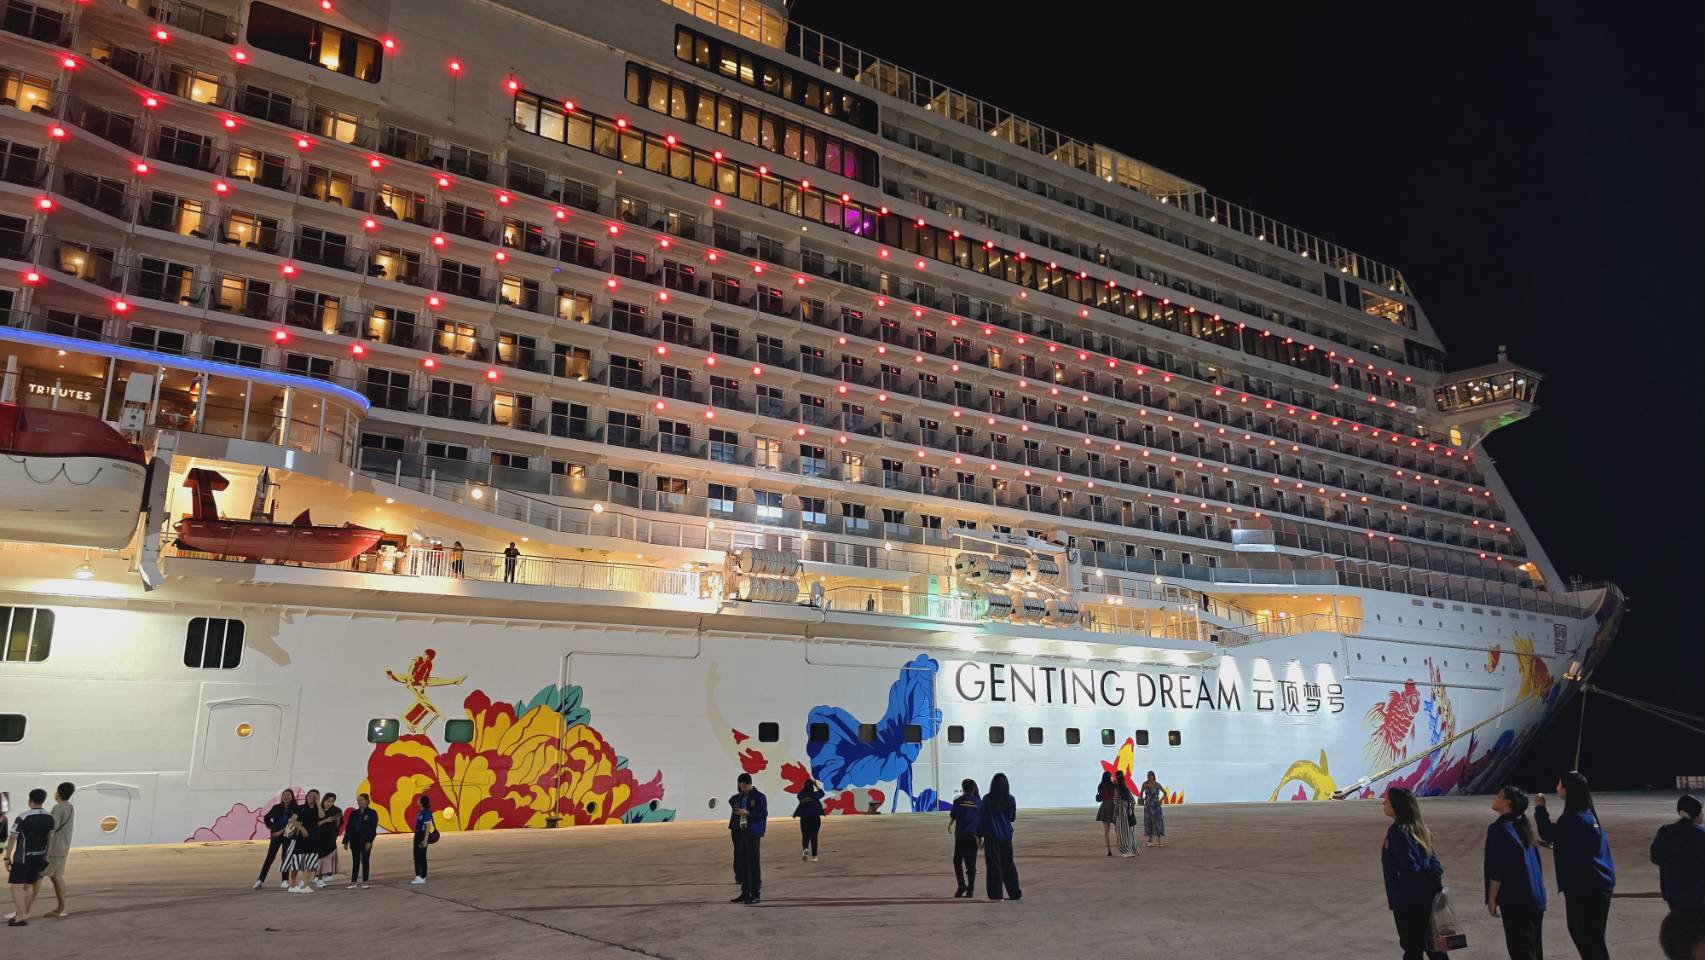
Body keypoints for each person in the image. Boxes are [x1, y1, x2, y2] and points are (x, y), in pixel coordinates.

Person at [1535, 771, 1616, 960]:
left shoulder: (1574, 817)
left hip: (1585, 886)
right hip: (1598, 883)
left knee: (1586, 937)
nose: (1556, 787)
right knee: (1592, 937)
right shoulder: (1587, 814)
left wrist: (1540, 808)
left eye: (1559, 784)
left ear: (1567, 789)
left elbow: (1548, 833)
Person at [1382, 787, 1447, 960]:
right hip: (1426, 896)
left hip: (1408, 901)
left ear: (1397, 805)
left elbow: (1410, 866)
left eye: (1387, 800)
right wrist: (1433, 889)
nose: (1384, 802)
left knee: (1412, 948)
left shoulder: (1397, 831)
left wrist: (1402, 895)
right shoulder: (1419, 828)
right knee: (1433, 946)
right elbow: (1436, 865)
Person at [1485, 785, 1547, 960]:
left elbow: (1497, 868)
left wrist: (1491, 898)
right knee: (1534, 950)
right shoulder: (1523, 828)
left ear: (1508, 802)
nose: (1495, 798)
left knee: (1521, 952)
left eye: (1499, 796)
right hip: (1535, 898)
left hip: (1516, 900)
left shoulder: (1499, 829)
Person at [3, 788, 53, 926]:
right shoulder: (49, 817)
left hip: (23, 857)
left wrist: (7, 858)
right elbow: (51, 838)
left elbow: (13, 837)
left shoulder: (23, 816)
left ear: (30, 800)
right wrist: (47, 857)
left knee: (15, 887)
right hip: (39, 857)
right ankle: (24, 912)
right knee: (29, 885)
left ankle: (20, 916)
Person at [1652, 795, 1705, 910]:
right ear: (1697, 814)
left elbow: (1655, 857)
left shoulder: (1665, 831)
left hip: (1672, 893)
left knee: (1679, 924)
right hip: (1698, 894)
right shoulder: (1702, 834)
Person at [978, 772, 1021, 901]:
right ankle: (1015, 893)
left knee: (994, 865)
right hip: (1006, 836)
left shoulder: (987, 799)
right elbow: (1012, 818)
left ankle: (996, 894)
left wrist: (979, 835)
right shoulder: (1010, 799)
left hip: (991, 836)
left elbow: (982, 818)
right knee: (1008, 864)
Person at [729, 772, 767, 904]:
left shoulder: (759, 796)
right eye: (741, 786)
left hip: (753, 832)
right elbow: (732, 801)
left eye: (745, 786)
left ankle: (755, 894)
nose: (743, 788)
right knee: (743, 862)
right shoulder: (741, 797)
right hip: (742, 831)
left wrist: (748, 813)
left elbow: (763, 813)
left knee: (754, 863)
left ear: (750, 784)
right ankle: (745, 892)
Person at [41, 781, 73, 918]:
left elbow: (52, 829)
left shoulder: (58, 808)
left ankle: (22, 909)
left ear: (58, 793)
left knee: (37, 876)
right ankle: (61, 908)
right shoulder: (70, 807)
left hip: (54, 849)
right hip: (63, 847)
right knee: (57, 877)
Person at [255, 788, 295, 889]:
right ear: (282, 797)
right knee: (270, 857)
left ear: (292, 797)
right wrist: (272, 827)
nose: (286, 797)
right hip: (276, 835)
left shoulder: (295, 808)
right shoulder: (276, 807)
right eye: (284, 795)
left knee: (285, 858)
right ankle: (260, 879)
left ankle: (285, 880)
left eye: (288, 795)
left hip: (288, 835)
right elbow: (266, 817)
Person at [283, 789, 321, 893]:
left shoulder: (318, 809)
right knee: (296, 864)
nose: (310, 797)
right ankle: (292, 885)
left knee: (310, 862)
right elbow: (293, 820)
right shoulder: (300, 808)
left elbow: (322, 816)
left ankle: (306, 886)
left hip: (314, 838)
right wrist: (302, 829)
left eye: (313, 796)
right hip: (301, 839)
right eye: (309, 796)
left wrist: (318, 803)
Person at [949, 778, 980, 898]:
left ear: (963, 788)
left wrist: (950, 825)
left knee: (957, 860)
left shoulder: (958, 801)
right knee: (971, 863)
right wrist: (980, 836)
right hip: (972, 836)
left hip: (961, 836)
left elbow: (953, 816)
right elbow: (981, 819)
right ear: (973, 788)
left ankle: (961, 885)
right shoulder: (978, 802)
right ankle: (970, 889)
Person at [343, 793, 379, 889]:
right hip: (354, 841)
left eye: (362, 800)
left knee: (365, 861)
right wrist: (345, 841)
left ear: (367, 801)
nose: (360, 802)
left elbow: (373, 828)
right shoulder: (354, 813)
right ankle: (353, 882)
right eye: (358, 800)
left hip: (366, 841)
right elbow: (349, 828)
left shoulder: (372, 813)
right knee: (355, 861)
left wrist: (369, 841)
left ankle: (365, 881)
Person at [313, 791, 342, 888]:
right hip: (317, 838)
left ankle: (320, 878)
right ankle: (316, 876)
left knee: (325, 860)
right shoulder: (317, 809)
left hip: (329, 838)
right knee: (316, 859)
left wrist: (337, 820)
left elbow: (338, 825)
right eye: (328, 801)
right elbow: (314, 824)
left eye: (332, 801)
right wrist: (326, 820)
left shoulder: (336, 810)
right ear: (323, 800)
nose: (329, 803)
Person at [792, 778, 824, 862]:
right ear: (812, 787)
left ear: (804, 786)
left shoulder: (801, 796)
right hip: (815, 818)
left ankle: (805, 848)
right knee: (814, 837)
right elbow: (822, 793)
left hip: (804, 818)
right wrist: (816, 785)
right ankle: (814, 856)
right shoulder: (815, 795)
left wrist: (804, 787)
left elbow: (799, 794)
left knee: (805, 836)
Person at [1113, 776, 1140, 859]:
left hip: (1121, 816)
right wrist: (1132, 812)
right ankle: (1134, 850)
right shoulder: (1127, 791)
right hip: (1128, 814)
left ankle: (1126, 851)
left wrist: (1114, 814)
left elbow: (1116, 804)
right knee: (1130, 833)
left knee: (1122, 834)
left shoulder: (1117, 792)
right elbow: (1133, 802)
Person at [1140, 770, 1167, 846]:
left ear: (1154, 776)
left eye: (1150, 775)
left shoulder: (1157, 784)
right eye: (1148, 775)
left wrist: (1161, 800)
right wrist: (1142, 799)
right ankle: (1150, 840)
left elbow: (1165, 793)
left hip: (1156, 805)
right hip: (1148, 805)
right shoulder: (1145, 784)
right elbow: (1141, 793)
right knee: (1149, 822)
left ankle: (1159, 840)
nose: (1149, 777)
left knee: (1157, 822)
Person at [412, 795, 435, 885]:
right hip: (417, 835)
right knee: (416, 856)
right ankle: (417, 876)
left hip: (422, 835)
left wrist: (425, 840)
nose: (417, 801)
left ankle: (423, 877)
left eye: (418, 800)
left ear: (421, 803)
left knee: (422, 856)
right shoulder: (420, 812)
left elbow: (428, 827)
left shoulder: (426, 813)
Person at [1094, 770, 1118, 856]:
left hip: (1104, 807)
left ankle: (1109, 850)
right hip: (1113, 806)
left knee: (1106, 832)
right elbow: (1116, 795)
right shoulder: (1113, 785)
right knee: (1117, 829)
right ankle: (1120, 845)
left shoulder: (1100, 786)